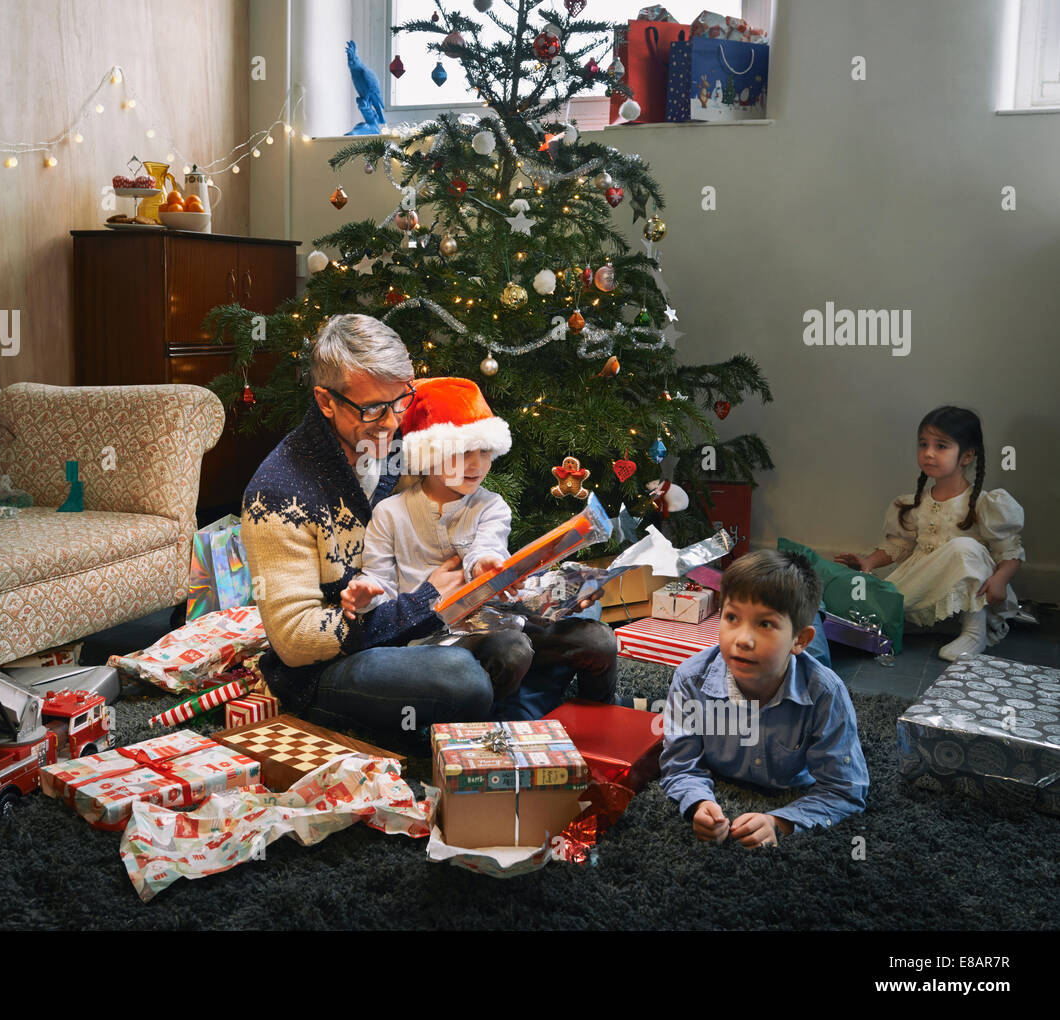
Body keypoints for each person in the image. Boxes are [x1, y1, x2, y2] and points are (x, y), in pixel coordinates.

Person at [240, 313, 617, 734]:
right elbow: (295, 642)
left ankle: (493, 715)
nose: (391, 421)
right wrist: (427, 602)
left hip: (459, 621)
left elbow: (473, 514)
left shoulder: (403, 432)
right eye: (372, 409)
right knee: (460, 678)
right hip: (341, 661)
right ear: (326, 401)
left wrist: (538, 589)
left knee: (582, 613)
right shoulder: (277, 493)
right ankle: (506, 714)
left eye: (401, 400)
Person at [659, 550, 869, 848]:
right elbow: (679, 765)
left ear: (799, 640)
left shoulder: (826, 693)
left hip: (805, 683)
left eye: (765, 624)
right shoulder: (690, 679)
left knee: (817, 661)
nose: (742, 639)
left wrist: (781, 821)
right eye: (732, 617)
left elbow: (845, 788)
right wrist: (697, 802)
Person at [340, 376, 532, 700]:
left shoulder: (491, 506)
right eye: (462, 452)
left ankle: (488, 719)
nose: (477, 464)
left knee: (516, 647)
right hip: (418, 642)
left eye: (485, 451)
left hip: (478, 629)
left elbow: (488, 545)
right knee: (456, 668)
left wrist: (484, 563)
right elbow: (379, 581)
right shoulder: (389, 513)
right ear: (427, 455)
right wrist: (365, 595)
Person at [834, 406, 1024, 661]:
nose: (928, 453)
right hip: (925, 584)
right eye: (923, 444)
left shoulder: (985, 504)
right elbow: (899, 544)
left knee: (964, 548)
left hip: (971, 590)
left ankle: (974, 631)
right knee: (875, 605)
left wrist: (1000, 578)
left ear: (967, 456)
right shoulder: (914, 504)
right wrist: (868, 562)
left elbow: (1009, 552)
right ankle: (899, 623)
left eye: (941, 446)